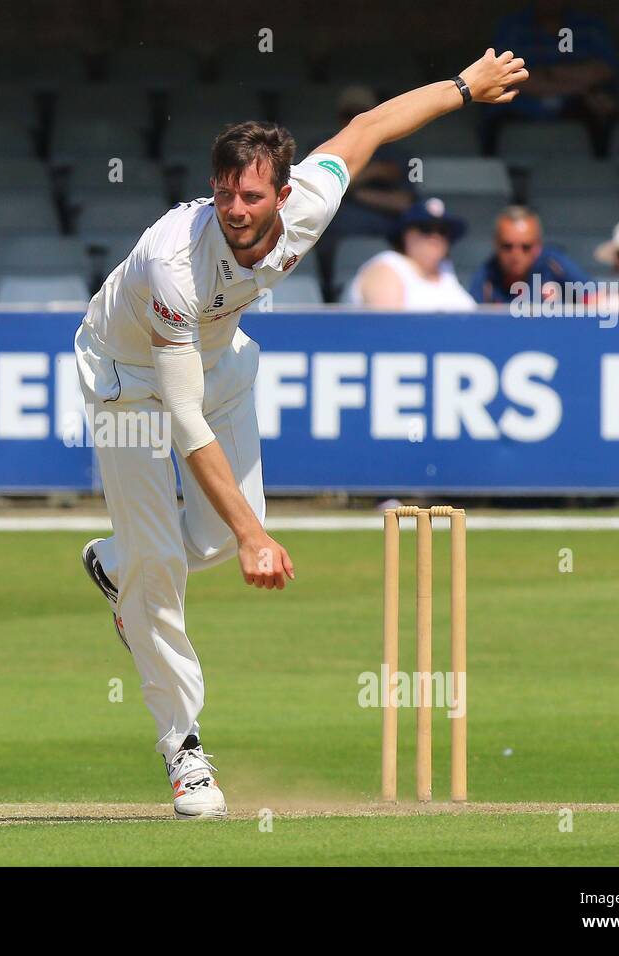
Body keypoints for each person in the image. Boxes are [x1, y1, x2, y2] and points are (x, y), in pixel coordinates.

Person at [75, 50, 526, 819]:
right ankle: (184, 753)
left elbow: (369, 126)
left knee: (209, 542)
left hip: (221, 362)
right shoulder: (171, 263)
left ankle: (119, 564)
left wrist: (462, 88)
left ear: (284, 193)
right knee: (165, 567)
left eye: (250, 196)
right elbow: (181, 423)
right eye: (223, 195)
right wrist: (260, 536)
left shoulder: (310, 201)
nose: (235, 209)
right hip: (127, 375)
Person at [346, 198, 476, 310]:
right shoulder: (388, 266)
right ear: (405, 235)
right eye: (426, 229)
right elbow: (386, 331)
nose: (435, 237)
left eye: (442, 231)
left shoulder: (446, 272)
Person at [321, 85, 416, 238]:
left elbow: (404, 203)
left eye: (361, 114)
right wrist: (373, 172)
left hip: (386, 239)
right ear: (339, 118)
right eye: (348, 114)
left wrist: (349, 191)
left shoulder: (399, 155)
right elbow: (320, 190)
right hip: (335, 238)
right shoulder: (323, 147)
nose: (354, 120)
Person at [468, 205, 593, 305]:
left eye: (525, 247)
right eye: (507, 246)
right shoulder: (486, 278)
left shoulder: (553, 265)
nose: (516, 254)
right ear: (495, 244)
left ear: (538, 246)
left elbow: (597, 299)